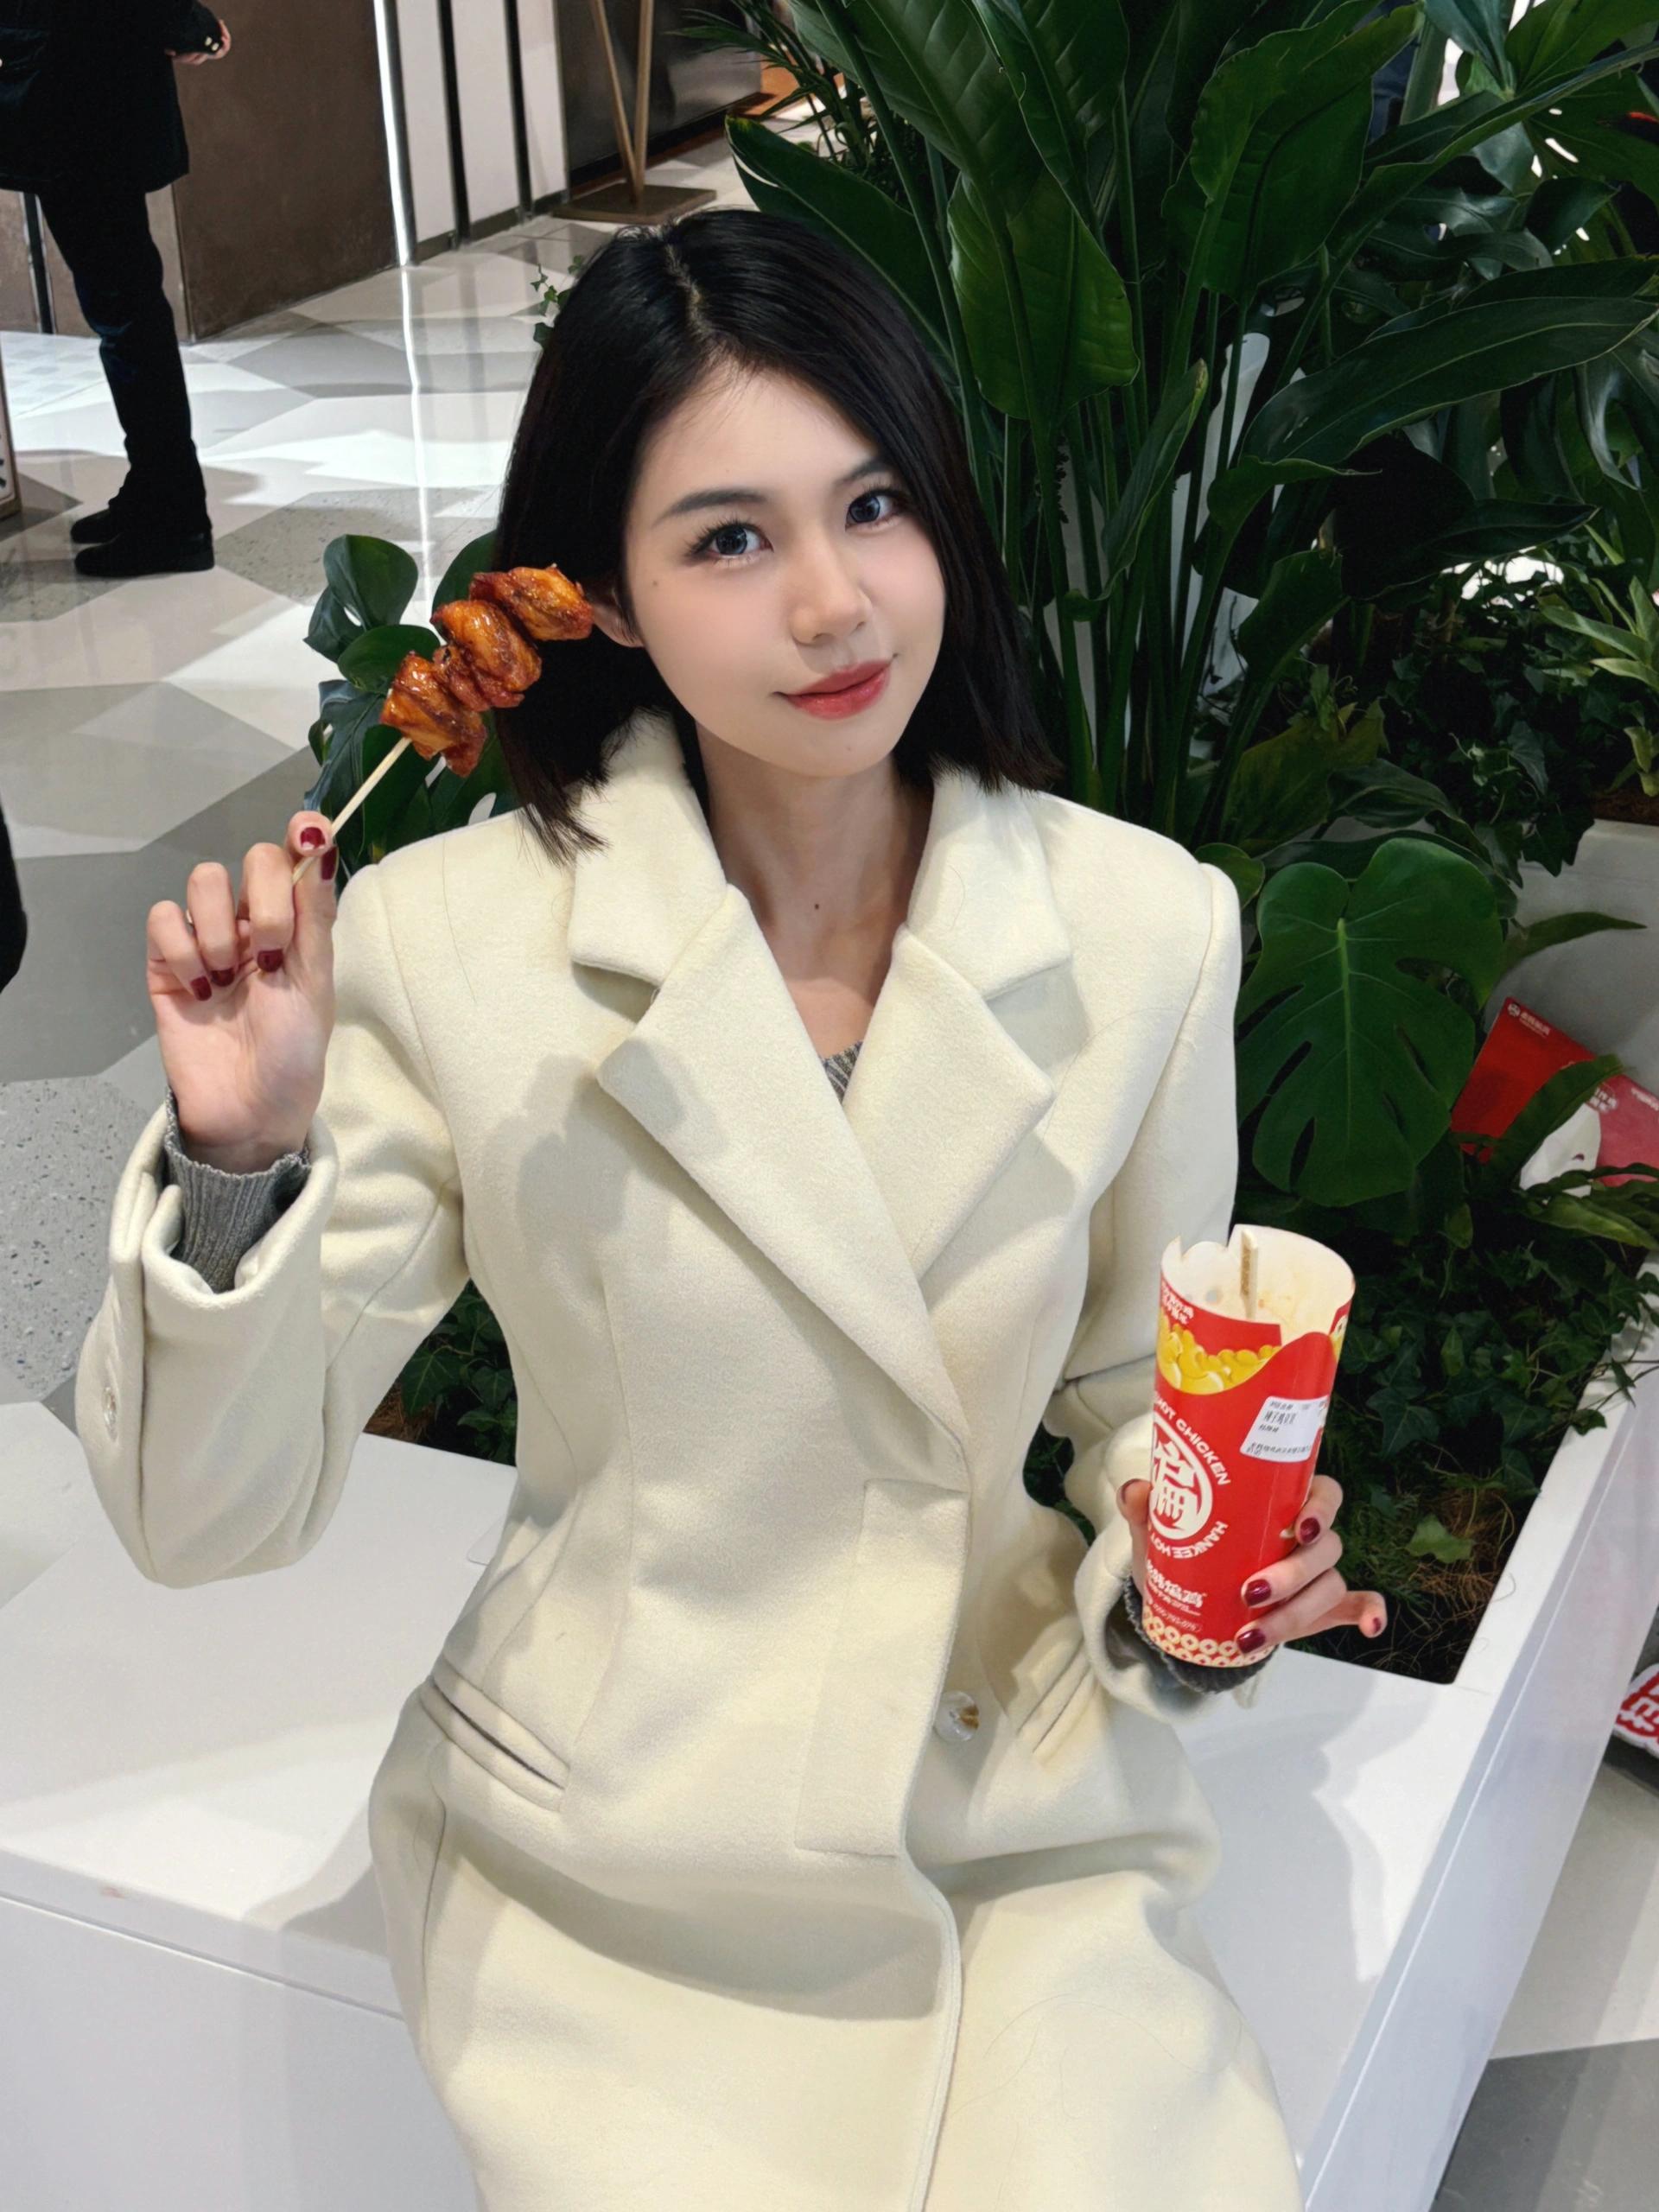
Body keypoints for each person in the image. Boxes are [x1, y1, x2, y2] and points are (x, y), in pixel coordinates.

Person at [75, 209, 1387, 2210]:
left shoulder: (1143, 928)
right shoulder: (454, 943)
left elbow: (1138, 1395)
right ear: (598, 589)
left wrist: (1202, 1586)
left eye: (874, 503)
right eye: (729, 539)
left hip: (1015, 1813)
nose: (835, 602)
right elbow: (208, 1517)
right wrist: (241, 1157)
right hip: (614, 1845)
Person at [0, 2, 231, 577]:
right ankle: (156, 491)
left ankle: (175, 518)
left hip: (79, 94)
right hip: (74, 87)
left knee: (126, 310)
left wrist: (184, 23)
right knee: (123, 306)